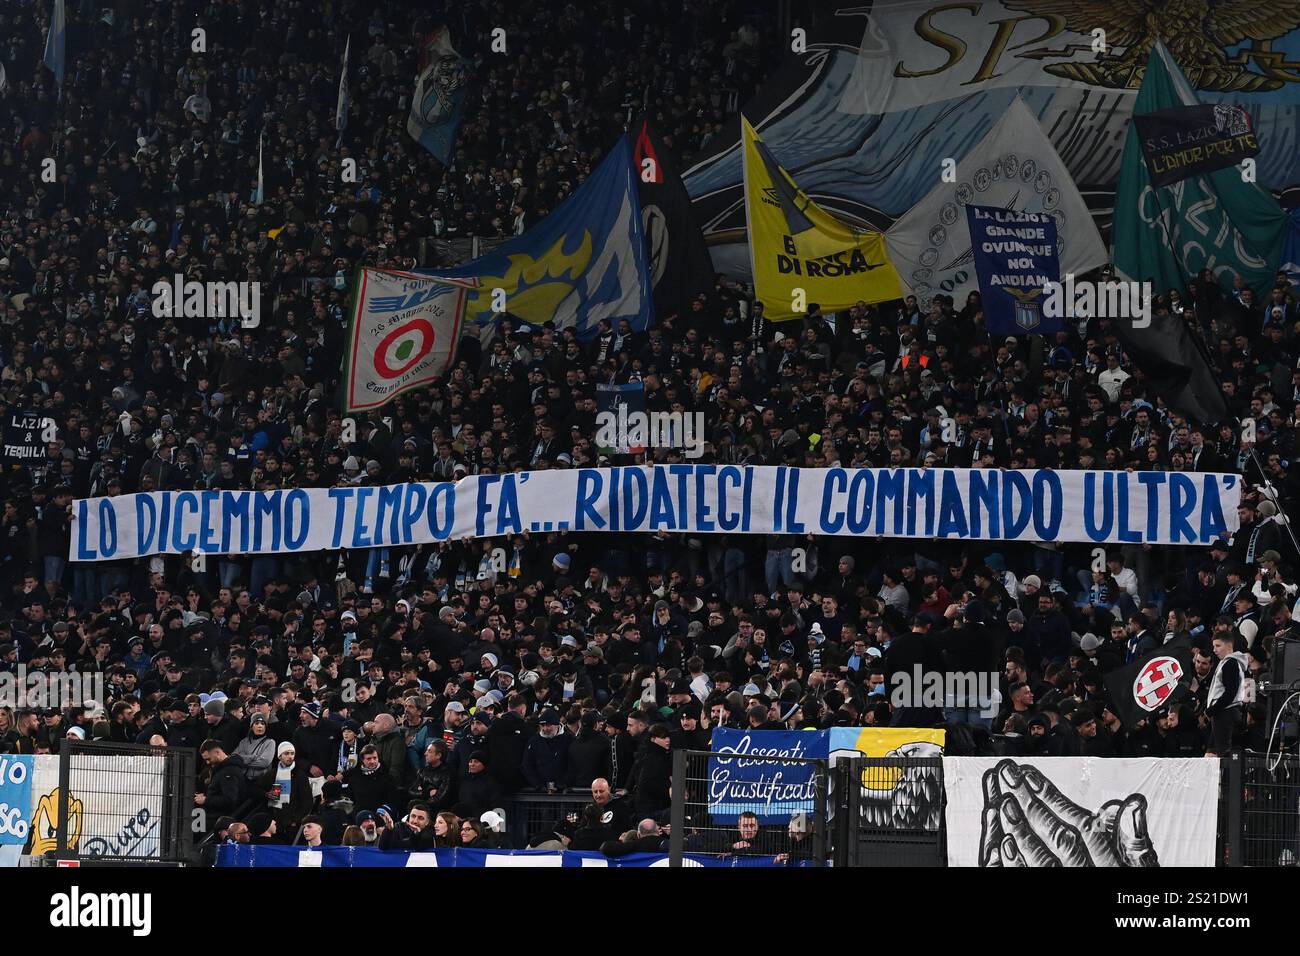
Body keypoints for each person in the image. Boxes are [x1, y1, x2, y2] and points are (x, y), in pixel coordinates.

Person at [1206, 631, 1250, 755]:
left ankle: (1226, 775)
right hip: (1224, 713)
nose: (1214, 650)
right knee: (1211, 754)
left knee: (1222, 755)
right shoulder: (1227, 663)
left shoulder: (1231, 663)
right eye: (1214, 646)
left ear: (1229, 646)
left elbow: (1230, 692)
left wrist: (1212, 709)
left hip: (1225, 713)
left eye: (1218, 646)